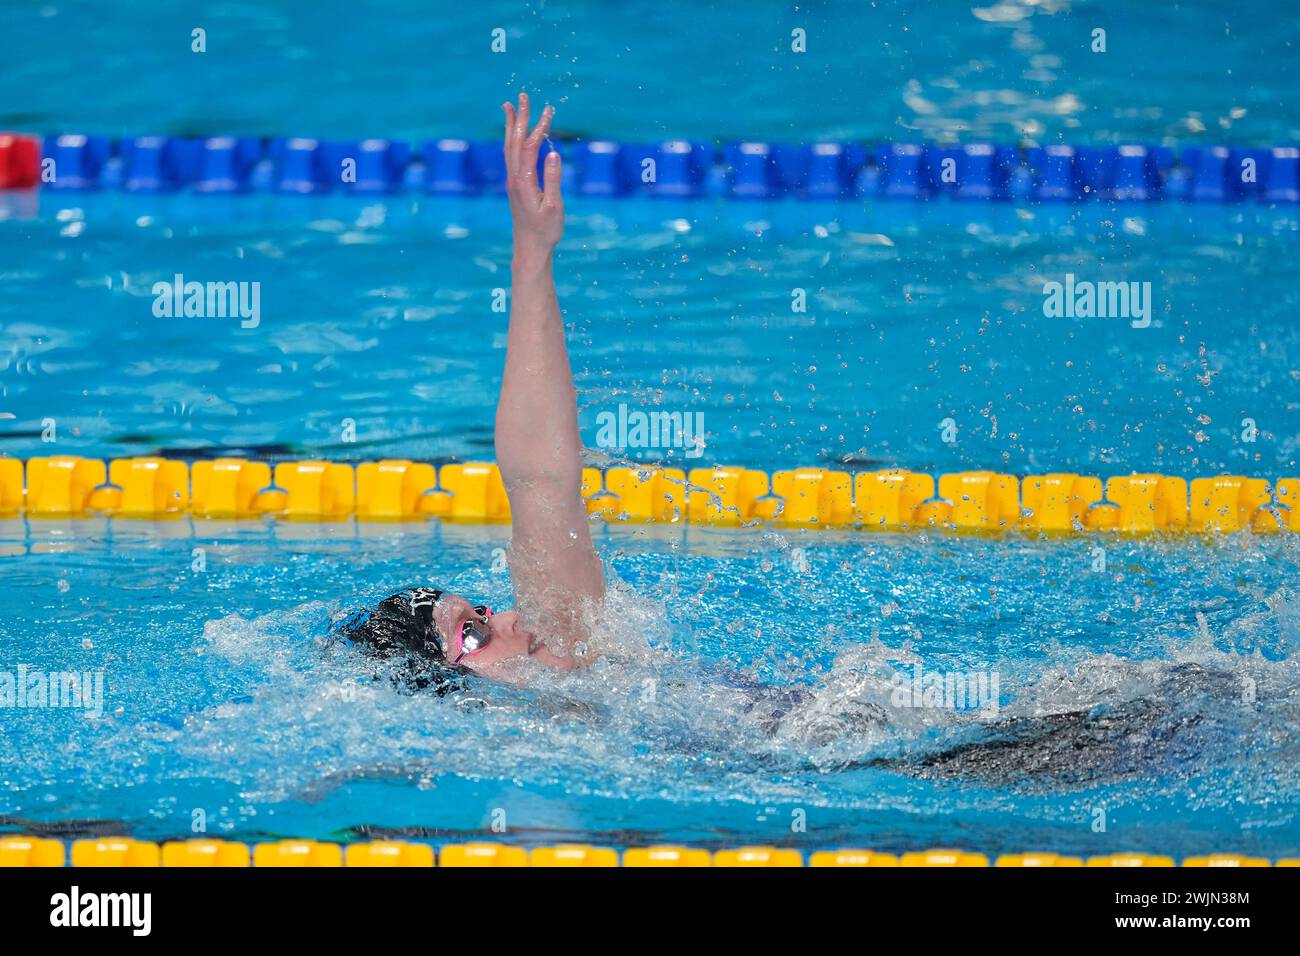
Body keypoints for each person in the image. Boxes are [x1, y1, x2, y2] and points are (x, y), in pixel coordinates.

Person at [341, 92, 603, 688]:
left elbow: (542, 480)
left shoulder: (572, 656)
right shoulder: (534, 709)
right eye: (474, 634)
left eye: (482, 615)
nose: (513, 618)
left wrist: (532, 255)